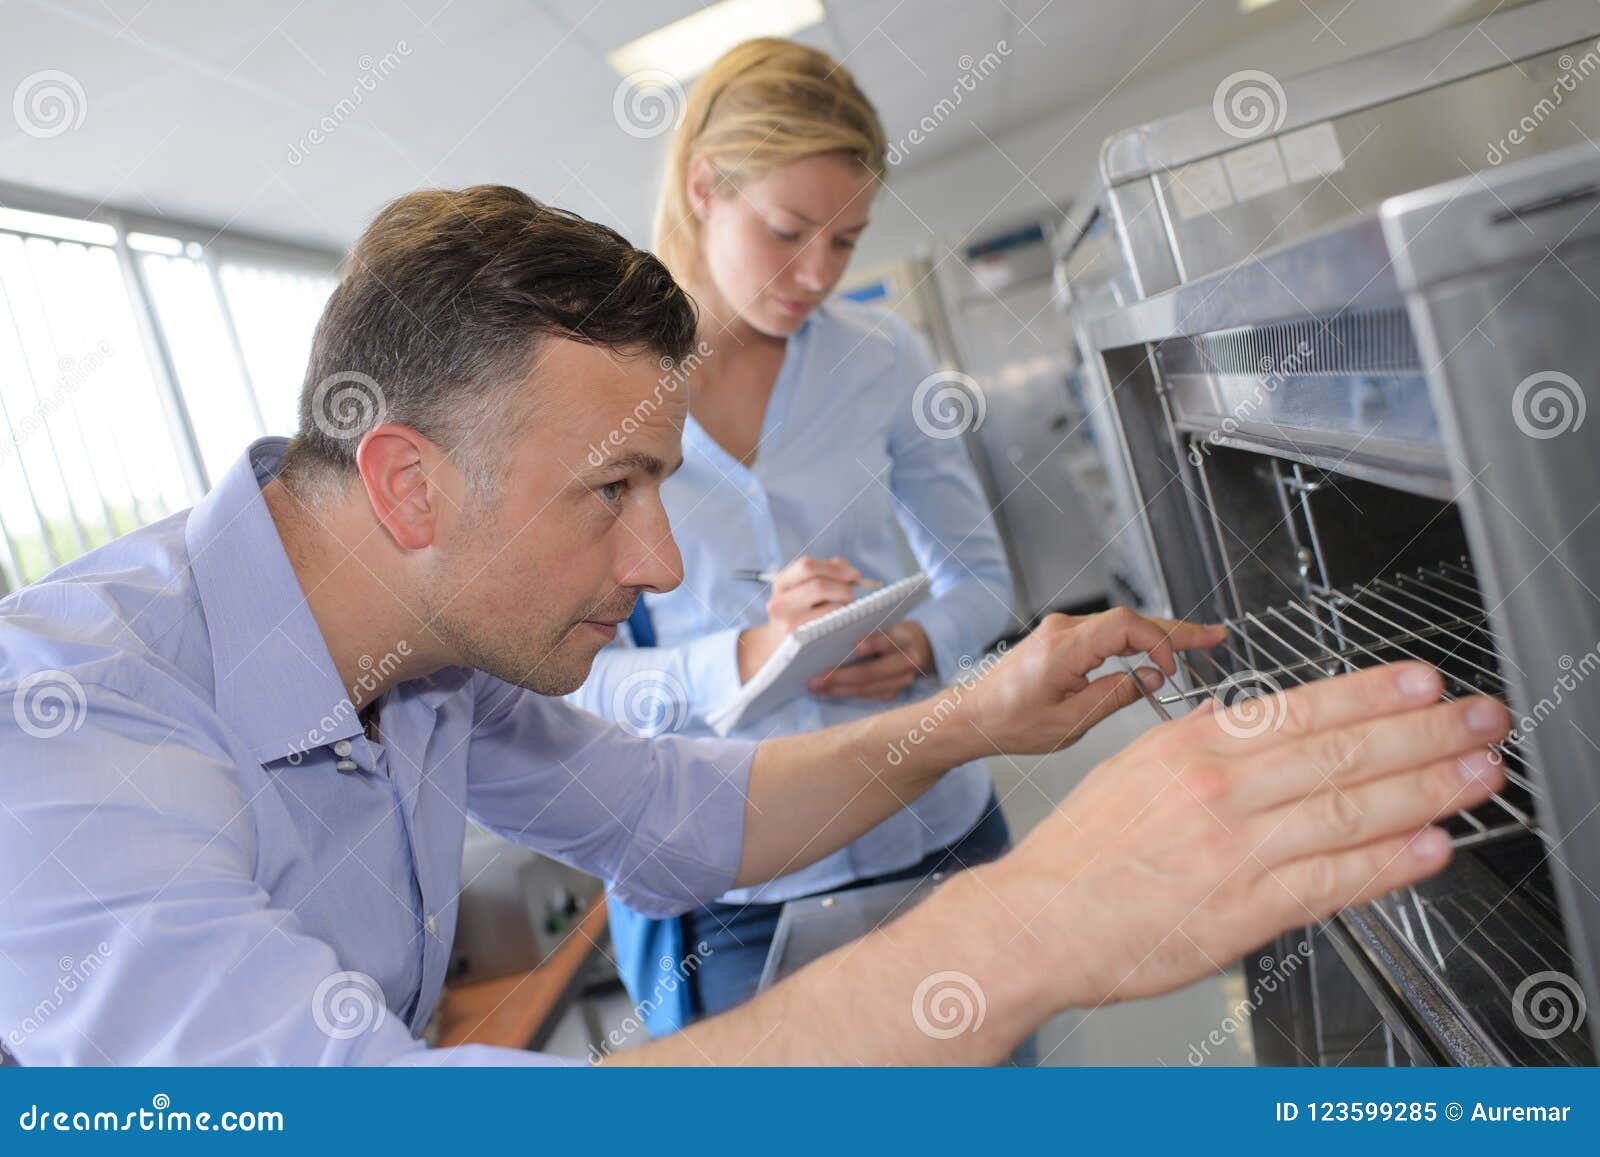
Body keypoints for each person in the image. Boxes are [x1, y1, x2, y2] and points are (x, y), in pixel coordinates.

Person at [0, 186, 1508, 1066]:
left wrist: (978, 713)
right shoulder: (67, 724)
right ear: (406, 482)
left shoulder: (434, 658)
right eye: (614, 490)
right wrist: (1046, 917)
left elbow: (674, 817)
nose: (659, 560)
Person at [564, 38, 1017, 1030]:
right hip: (737, 888)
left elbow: (983, 577)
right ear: (703, 188)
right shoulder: (590, 391)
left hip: (937, 829)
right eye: (787, 230)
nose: (817, 271)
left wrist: (925, 639)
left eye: (845, 240)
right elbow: (566, 688)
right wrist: (744, 656)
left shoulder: (881, 354)